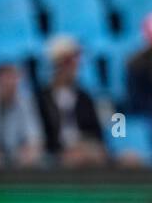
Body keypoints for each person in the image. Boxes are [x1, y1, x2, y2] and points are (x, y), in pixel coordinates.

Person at [35, 35, 107, 167]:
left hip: (84, 151)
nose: (75, 66)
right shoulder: (40, 99)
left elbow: (97, 133)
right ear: (55, 65)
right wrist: (62, 151)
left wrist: (84, 146)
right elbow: (39, 135)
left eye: (75, 61)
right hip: (55, 155)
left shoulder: (85, 97)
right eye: (68, 61)